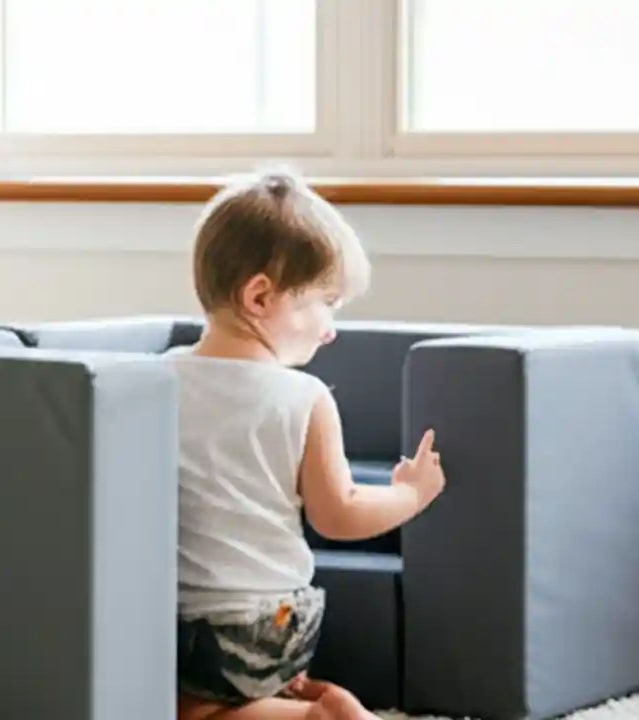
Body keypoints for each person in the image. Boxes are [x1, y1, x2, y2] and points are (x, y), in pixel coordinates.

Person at [166, 169, 447, 720]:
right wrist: (410, 497)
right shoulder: (304, 398)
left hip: (186, 626)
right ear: (260, 296)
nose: (331, 328)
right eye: (327, 302)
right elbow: (338, 513)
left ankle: (304, 710)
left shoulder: (153, 382)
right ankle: (312, 704)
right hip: (274, 625)